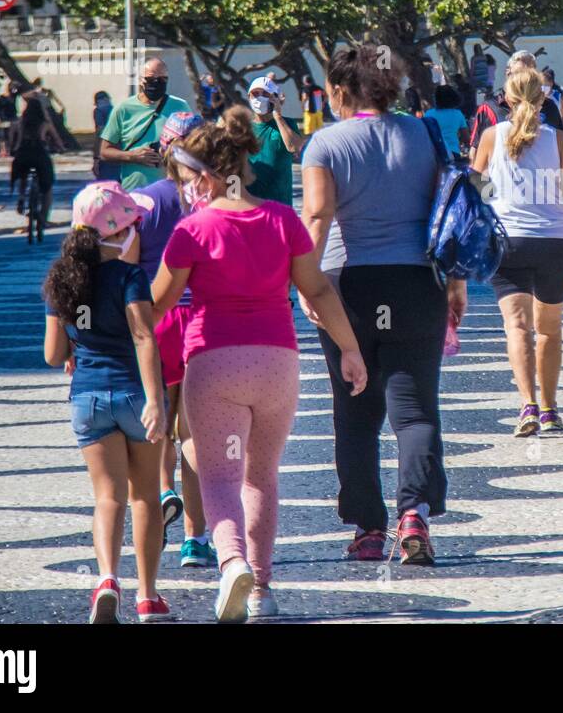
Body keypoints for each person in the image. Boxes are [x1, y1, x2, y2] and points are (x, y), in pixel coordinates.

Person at [152, 108, 367, 621]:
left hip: (215, 361)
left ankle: (231, 564)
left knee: (221, 478)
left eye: (187, 176)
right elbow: (316, 288)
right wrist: (351, 349)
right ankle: (262, 591)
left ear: (204, 175)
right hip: (277, 362)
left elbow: (156, 304)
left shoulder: (194, 229)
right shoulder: (282, 220)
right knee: (262, 477)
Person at [301, 44, 466, 567]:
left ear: (343, 91)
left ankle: (369, 529)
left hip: (347, 285)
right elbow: (449, 213)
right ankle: (413, 513)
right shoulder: (424, 134)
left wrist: (304, 285)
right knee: (415, 413)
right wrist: (455, 285)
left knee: (354, 412)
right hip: (417, 283)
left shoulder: (325, 144)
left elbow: (318, 218)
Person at [42, 182, 170, 623]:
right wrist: (157, 400)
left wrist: (78, 346)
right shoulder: (130, 276)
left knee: (108, 498)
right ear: (120, 232)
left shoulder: (61, 277)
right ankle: (149, 595)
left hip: (89, 399)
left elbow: (53, 355)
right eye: (135, 223)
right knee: (147, 498)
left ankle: (106, 579)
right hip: (134, 394)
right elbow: (143, 336)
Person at [472, 68, 563, 435]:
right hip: (556, 243)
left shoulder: (490, 136)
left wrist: (497, 198)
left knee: (517, 328)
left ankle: (527, 406)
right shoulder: (557, 138)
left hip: (508, 244)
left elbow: (475, 188)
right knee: (548, 329)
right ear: (543, 97)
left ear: (506, 98)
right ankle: (549, 409)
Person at [134, 111, 213, 566]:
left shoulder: (143, 202)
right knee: (194, 434)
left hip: (154, 319)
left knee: (155, 419)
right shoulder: (210, 202)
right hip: (200, 319)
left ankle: (163, 491)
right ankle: (196, 540)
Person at [98, 59, 190, 190]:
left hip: (171, 191)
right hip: (134, 192)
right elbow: (104, 151)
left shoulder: (180, 106)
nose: (157, 83)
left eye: (163, 79)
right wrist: (133, 156)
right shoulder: (124, 109)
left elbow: (193, 145)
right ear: (141, 80)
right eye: (151, 79)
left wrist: (168, 152)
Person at [243, 74, 307, 207]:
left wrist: (277, 116)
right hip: (250, 205)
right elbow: (232, 165)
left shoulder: (287, 123)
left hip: (280, 205)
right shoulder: (244, 127)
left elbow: (295, 147)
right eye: (255, 94)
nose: (259, 97)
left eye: (265, 94)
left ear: (275, 99)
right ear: (249, 97)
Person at [9, 97, 64, 222]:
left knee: (22, 175)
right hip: (39, 154)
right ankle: (44, 218)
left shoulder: (19, 123)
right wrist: (61, 148)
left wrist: (12, 150)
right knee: (47, 186)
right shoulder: (45, 124)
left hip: (22, 154)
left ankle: (22, 196)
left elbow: (12, 142)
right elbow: (57, 140)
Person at [423, 84, 470, 159]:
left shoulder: (429, 114)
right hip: (454, 153)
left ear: (437, 99)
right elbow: (466, 138)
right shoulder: (457, 114)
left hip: (434, 155)